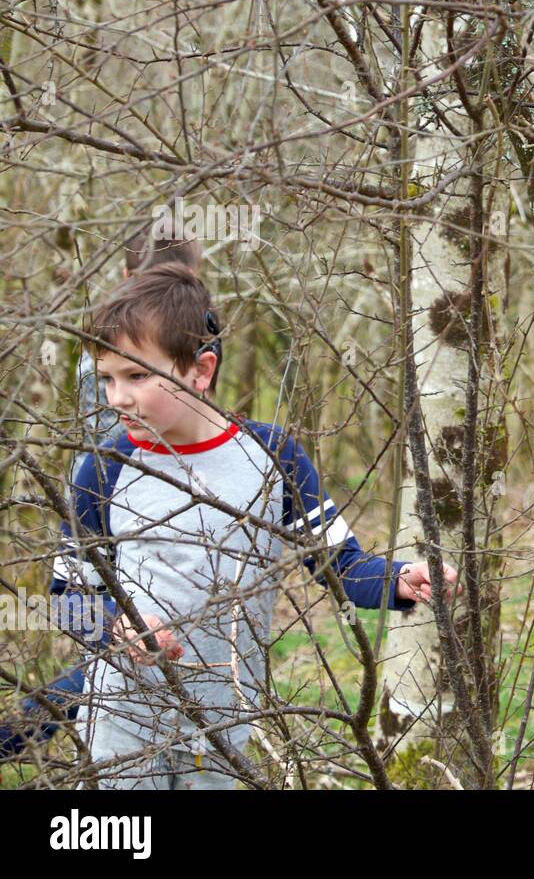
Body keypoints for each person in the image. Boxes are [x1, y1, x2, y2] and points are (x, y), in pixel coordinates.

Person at [52, 263, 458, 788]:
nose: (117, 398)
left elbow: (339, 561)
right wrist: (118, 627)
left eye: (136, 376)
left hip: (228, 718)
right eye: (106, 378)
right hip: (121, 718)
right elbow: (65, 596)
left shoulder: (272, 456)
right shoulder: (103, 468)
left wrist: (398, 578)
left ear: (200, 370)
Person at [2, 235, 203, 761]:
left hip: (149, 490)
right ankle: (12, 739)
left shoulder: (174, 333)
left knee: (115, 656)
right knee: (110, 650)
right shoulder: (115, 339)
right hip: (113, 493)